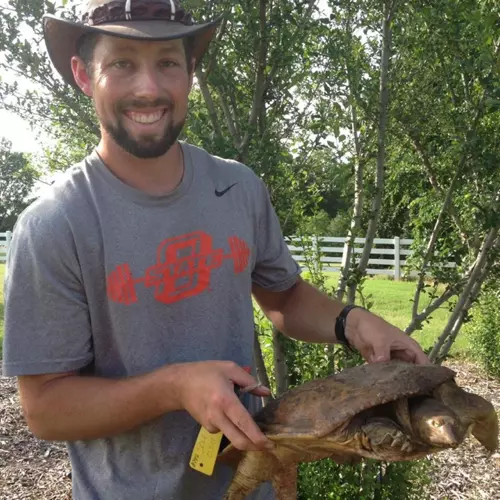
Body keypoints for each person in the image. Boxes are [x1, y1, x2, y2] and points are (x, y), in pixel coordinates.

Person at [1, 1, 428, 499]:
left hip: (250, 484)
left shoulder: (237, 188)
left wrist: (350, 322)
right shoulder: (56, 224)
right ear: (82, 73)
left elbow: (283, 300)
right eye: (121, 63)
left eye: (167, 62)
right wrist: (173, 387)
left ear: (190, 71)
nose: (149, 88)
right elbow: (46, 408)